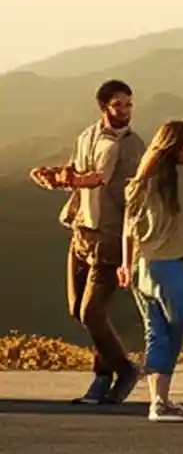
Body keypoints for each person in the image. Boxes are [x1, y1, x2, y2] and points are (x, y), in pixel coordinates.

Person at [28, 79, 147, 405]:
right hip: (82, 233)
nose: (125, 111)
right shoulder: (87, 137)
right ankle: (103, 375)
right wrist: (54, 177)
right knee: (78, 310)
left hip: (110, 236)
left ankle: (121, 371)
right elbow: (77, 172)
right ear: (103, 107)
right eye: (118, 105)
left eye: (129, 104)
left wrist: (72, 179)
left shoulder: (134, 146)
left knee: (92, 312)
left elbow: (98, 179)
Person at [119, 120, 183, 422]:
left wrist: (125, 266)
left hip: (142, 267)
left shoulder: (141, 182)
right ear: (176, 147)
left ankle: (158, 403)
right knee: (173, 334)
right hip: (169, 269)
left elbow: (128, 229)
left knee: (155, 334)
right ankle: (161, 403)